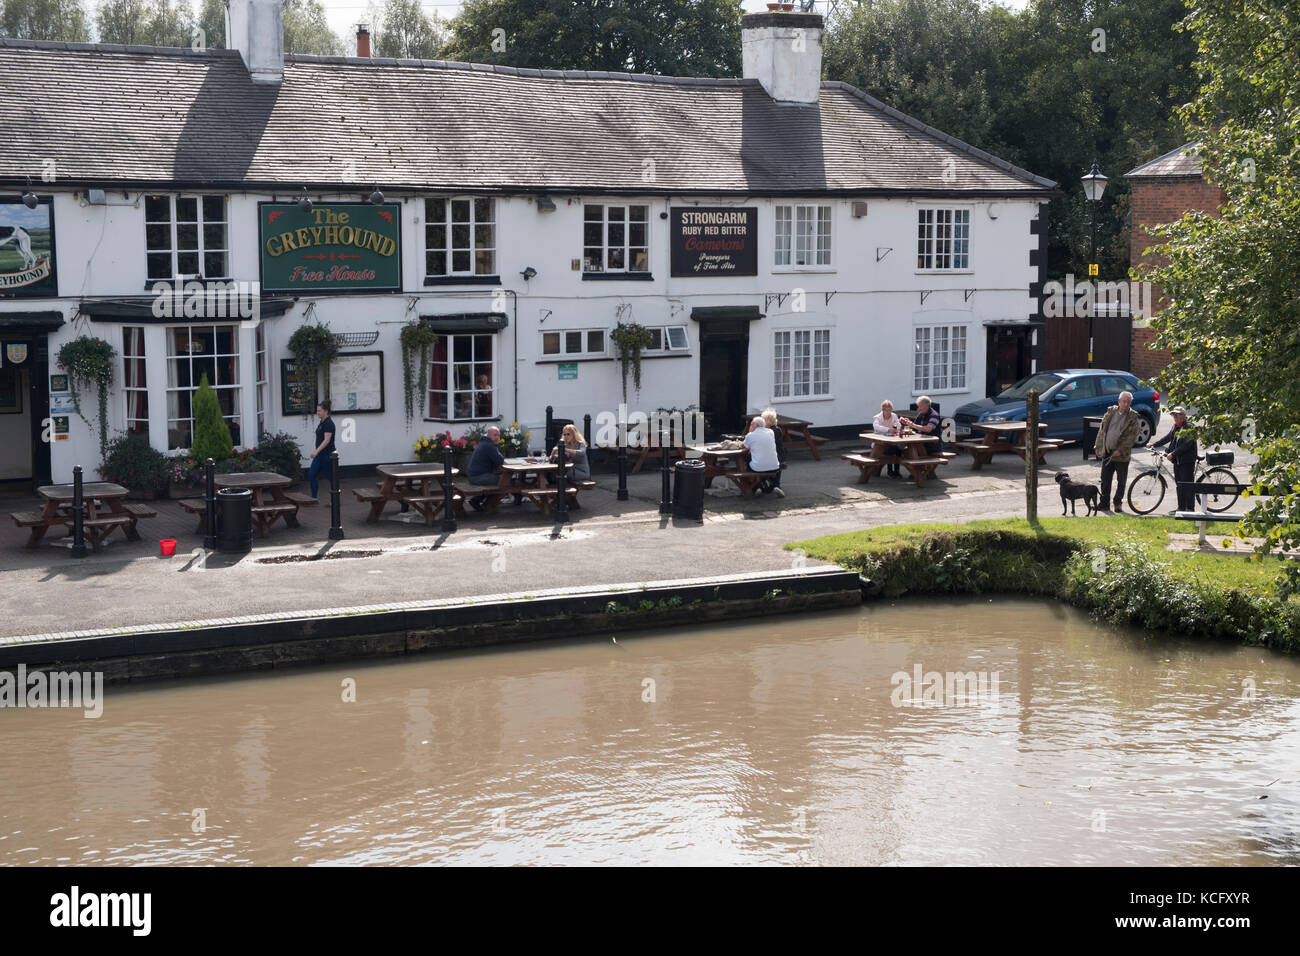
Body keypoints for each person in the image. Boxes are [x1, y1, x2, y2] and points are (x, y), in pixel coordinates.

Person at [1094, 390, 1140, 512]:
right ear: (1119, 401)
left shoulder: (1133, 417)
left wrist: (1120, 450)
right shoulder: (1110, 413)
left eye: (1128, 402)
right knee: (1105, 479)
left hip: (1122, 455)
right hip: (1108, 452)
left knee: (1121, 481)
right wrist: (1098, 446)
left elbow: (1131, 438)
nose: (1126, 404)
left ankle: (1117, 503)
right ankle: (1104, 503)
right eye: (1124, 401)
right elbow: (1102, 431)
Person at [1148, 406, 1198, 513]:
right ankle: (1181, 508)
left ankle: (1190, 509)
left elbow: (1186, 445)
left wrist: (1173, 454)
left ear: (1183, 416)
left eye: (1177, 414)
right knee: (1179, 485)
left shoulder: (1189, 427)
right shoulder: (1175, 426)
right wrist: (1154, 444)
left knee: (1187, 485)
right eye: (1173, 415)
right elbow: (1167, 438)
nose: (1174, 417)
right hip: (1177, 461)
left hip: (1187, 461)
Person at [466, 425, 505, 512]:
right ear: (488, 435)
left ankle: (476, 500)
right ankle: (488, 503)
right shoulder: (489, 445)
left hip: (474, 476)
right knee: (504, 481)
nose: (497, 437)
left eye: (498, 435)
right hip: (478, 477)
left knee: (499, 478)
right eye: (495, 435)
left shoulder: (484, 442)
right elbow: (500, 461)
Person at [742, 416, 781, 496]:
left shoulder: (750, 435)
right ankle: (776, 486)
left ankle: (756, 487)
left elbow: (744, 447)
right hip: (775, 467)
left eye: (751, 424)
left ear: (756, 425)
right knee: (774, 462)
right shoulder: (770, 432)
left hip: (758, 468)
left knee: (748, 463)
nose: (750, 426)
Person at [308, 400, 335, 499]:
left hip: (328, 455)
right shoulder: (322, 422)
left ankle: (335, 501)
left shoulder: (329, 423)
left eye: (319, 411)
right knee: (311, 474)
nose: (317, 412)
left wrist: (316, 451)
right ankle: (313, 498)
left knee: (332, 479)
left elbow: (326, 440)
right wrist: (317, 452)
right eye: (317, 410)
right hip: (320, 455)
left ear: (326, 411)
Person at [872, 399, 904, 478]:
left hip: (892, 440)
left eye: (890, 410)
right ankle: (890, 471)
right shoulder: (878, 418)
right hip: (880, 443)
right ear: (883, 410)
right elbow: (876, 427)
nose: (889, 412)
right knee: (890, 450)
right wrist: (888, 429)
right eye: (887, 410)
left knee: (899, 450)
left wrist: (896, 427)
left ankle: (896, 471)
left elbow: (898, 425)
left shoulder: (894, 416)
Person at [761, 408, 786, 498]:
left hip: (771, 457)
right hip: (780, 456)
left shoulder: (767, 432)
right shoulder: (778, 430)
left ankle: (758, 485)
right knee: (777, 465)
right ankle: (776, 485)